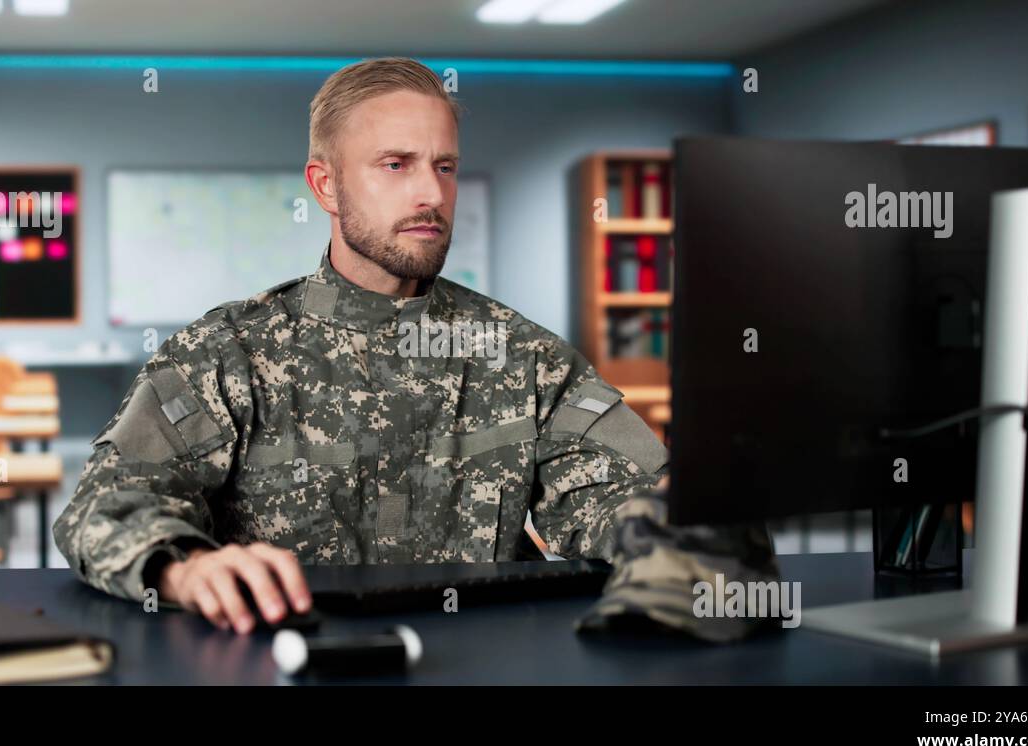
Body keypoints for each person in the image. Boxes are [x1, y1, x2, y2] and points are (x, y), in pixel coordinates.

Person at [54, 56, 668, 633]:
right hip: (282, 657)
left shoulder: (524, 356)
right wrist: (185, 567)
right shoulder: (227, 354)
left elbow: (625, 494)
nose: (430, 193)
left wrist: (667, 531)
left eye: (444, 166)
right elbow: (106, 501)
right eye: (396, 164)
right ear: (324, 187)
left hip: (480, 661)